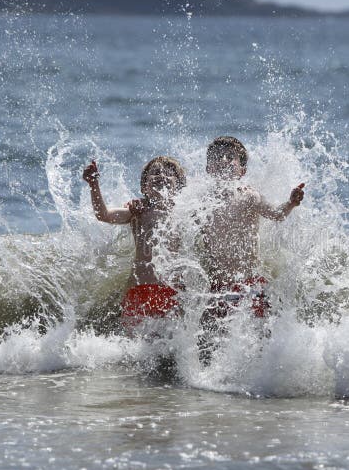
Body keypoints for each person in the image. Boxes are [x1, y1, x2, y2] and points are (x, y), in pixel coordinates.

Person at [197, 136, 304, 362]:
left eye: (230, 158)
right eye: (217, 157)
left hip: (249, 283)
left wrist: (291, 203)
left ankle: (261, 380)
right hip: (217, 284)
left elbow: (277, 214)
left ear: (242, 170)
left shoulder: (249, 196)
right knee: (209, 342)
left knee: (258, 340)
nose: (224, 160)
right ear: (208, 168)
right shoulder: (200, 201)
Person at [82, 156, 186, 333]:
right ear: (144, 186)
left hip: (172, 294)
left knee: (170, 351)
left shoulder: (185, 212)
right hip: (140, 292)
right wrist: (93, 185)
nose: (162, 176)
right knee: (134, 349)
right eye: (155, 173)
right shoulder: (139, 211)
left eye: (169, 174)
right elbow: (104, 215)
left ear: (179, 186)